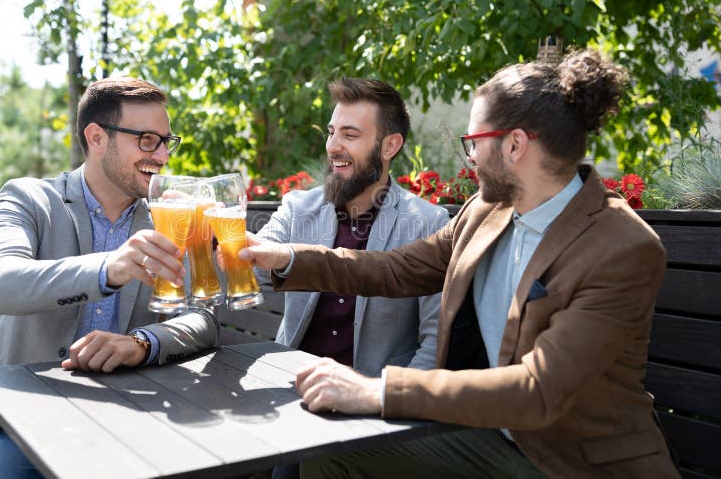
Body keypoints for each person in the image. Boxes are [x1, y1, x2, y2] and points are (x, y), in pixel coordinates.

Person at [241, 50, 680, 477]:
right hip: (490, 438)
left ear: (514, 145)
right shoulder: (486, 212)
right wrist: (285, 257)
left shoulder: (621, 247)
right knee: (330, 451)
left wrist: (377, 390)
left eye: (473, 143)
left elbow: (537, 390)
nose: (467, 158)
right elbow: (393, 269)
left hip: (567, 461)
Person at [0, 77, 219, 478]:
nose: (163, 156)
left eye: (167, 142)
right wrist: (107, 268)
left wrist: (142, 343)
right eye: (148, 140)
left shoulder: (167, 218)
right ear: (97, 137)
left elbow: (202, 319)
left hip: (124, 412)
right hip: (14, 411)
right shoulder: (29, 198)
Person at [257, 78, 449, 377]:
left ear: (390, 145)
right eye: (331, 133)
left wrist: (383, 400)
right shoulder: (297, 207)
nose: (333, 147)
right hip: (288, 386)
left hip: (370, 405)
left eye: (350, 135)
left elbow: (436, 344)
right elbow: (251, 265)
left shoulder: (427, 223)